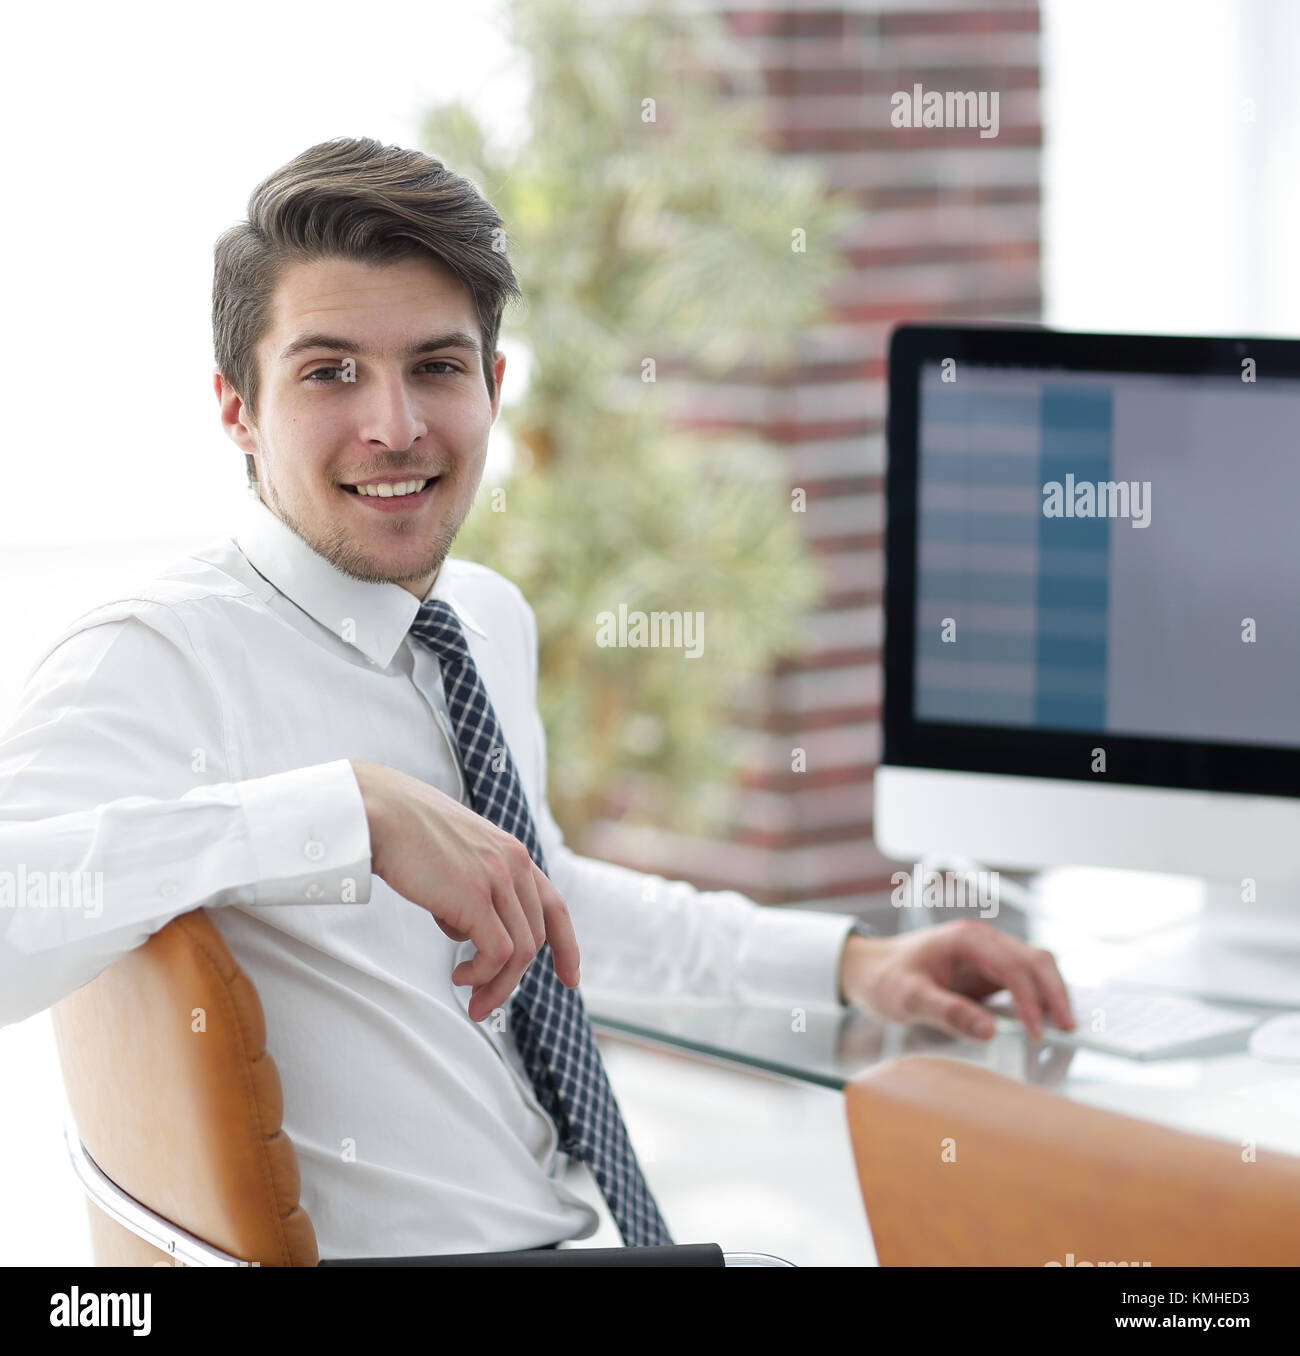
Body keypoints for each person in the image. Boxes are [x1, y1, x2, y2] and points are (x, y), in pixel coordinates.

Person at [0, 136, 1073, 1259]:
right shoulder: (162, 656)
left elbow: (541, 905)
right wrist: (341, 816)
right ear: (236, 410)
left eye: (436, 367)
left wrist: (848, 964)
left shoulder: (480, 621)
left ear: (494, 387)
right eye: (329, 373)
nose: (396, 427)